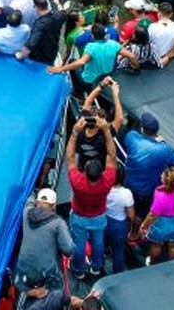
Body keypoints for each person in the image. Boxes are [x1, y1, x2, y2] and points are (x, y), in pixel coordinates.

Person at [65, 116, 117, 280]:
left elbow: (70, 157)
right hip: (99, 216)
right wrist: (107, 131)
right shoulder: (108, 181)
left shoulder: (77, 181)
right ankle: (96, 267)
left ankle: (78, 270)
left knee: (79, 244)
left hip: (79, 216)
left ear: (86, 172)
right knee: (98, 243)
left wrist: (74, 133)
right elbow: (111, 155)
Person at [14, 188, 73, 292]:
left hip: (23, 272)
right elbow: (68, 250)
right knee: (58, 289)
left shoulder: (26, 213)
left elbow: (29, 200)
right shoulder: (58, 223)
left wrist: (34, 192)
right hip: (46, 273)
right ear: (54, 206)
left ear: (37, 203)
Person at [47, 23, 138, 88]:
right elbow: (132, 57)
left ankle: (77, 92)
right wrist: (135, 66)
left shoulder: (91, 47)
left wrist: (61, 68)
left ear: (93, 37)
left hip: (90, 80)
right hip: (108, 74)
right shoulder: (114, 44)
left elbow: (81, 62)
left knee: (72, 61)